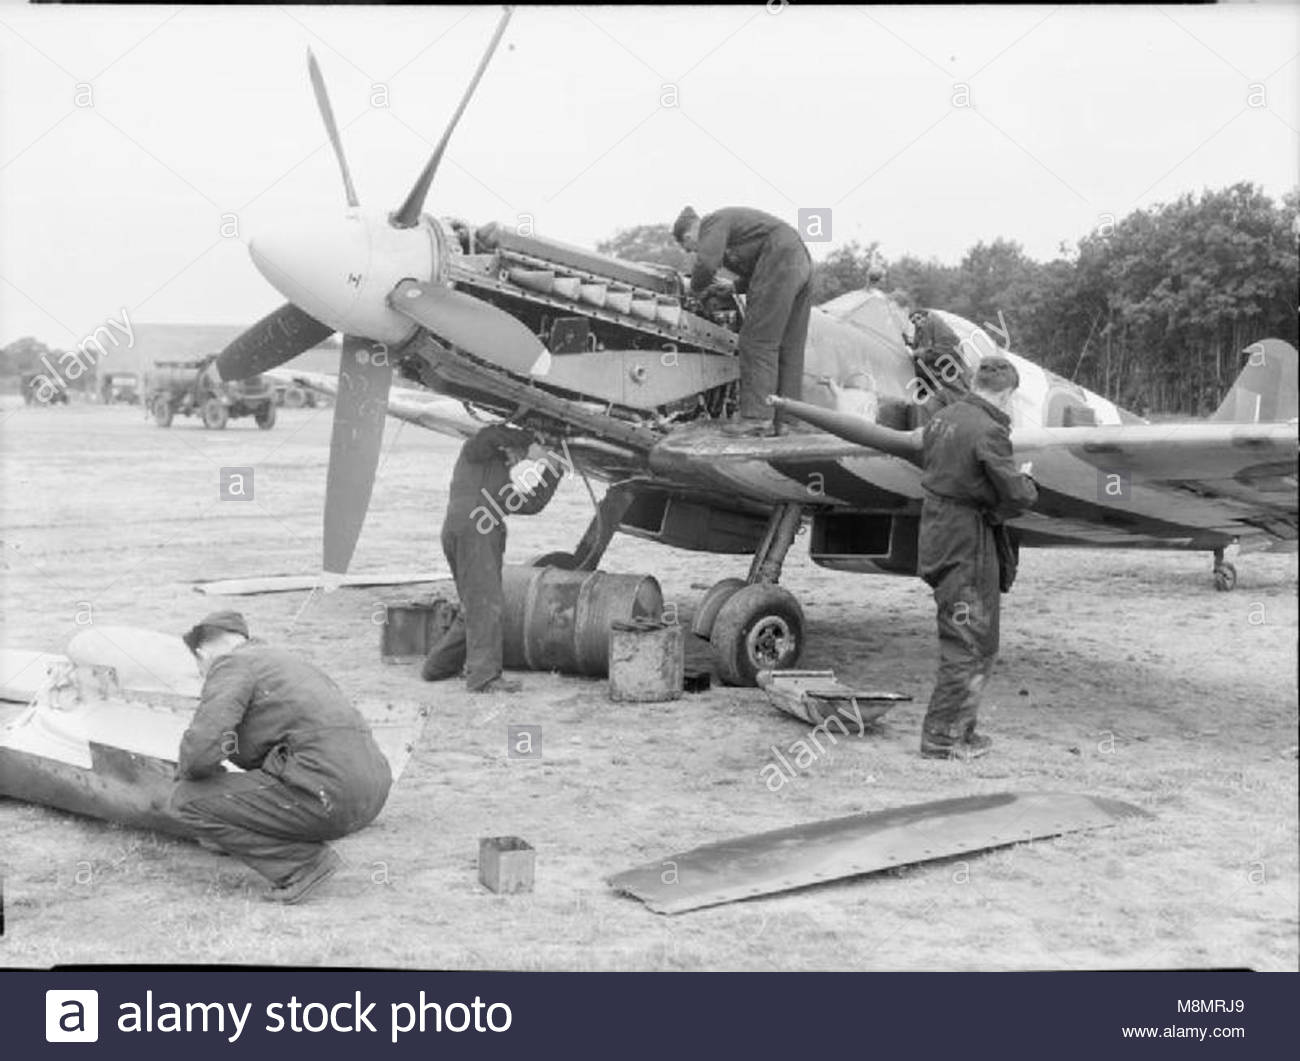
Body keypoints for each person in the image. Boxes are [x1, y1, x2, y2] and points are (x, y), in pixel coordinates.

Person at [170, 611, 392, 903]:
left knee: (186, 800)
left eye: (200, 667)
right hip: (369, 796)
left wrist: (187, 776)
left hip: (326, 793)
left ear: (204, 652)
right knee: (238, 788)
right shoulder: (285, 662)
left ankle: (302, 864)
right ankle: (274, 840)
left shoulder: (232, 664)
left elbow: (202, 749)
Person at [917, 357, 1037, 760]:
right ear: (1006, 394)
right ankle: (942, 737)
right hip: (967, 541)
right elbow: (1016, 494)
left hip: (937, 533)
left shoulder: (941, 418)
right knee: (970, 640)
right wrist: (1028, 484)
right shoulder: (989, 429)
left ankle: (958, 731)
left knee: (964, 633)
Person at [422, 426, 564, 692]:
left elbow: (533, 503)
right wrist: (531, 443)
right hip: (474, 534)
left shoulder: (500, 484)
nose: (519, 460)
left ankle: (438, 667)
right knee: (486, 607)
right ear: (505, 446)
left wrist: (555, 467)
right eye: (518, 455)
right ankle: (484, 678)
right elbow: (489, 435)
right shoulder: (477, 451)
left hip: (470, 533)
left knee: (473, 607)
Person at [673, 205, 812, 436]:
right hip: (800, 263)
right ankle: (786, 421)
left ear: (688, 236)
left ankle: (757, 419)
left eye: (690, 249)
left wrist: (693, 289)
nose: (693, 252)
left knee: (756, 342)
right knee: (789, 349)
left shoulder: (712, 223)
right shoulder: (735, 226)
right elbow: (759, 267)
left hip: (782, 260)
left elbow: (707, 264)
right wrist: (734, 287)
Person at [906, 309, 971, 404]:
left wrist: (916, 353)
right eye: (914, 321)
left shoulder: (941, 329)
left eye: (919, 318)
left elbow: (948, 350)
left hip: (951, 379)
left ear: (927, 316)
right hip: (934, 381)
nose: (918, 322)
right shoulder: (922, 332)